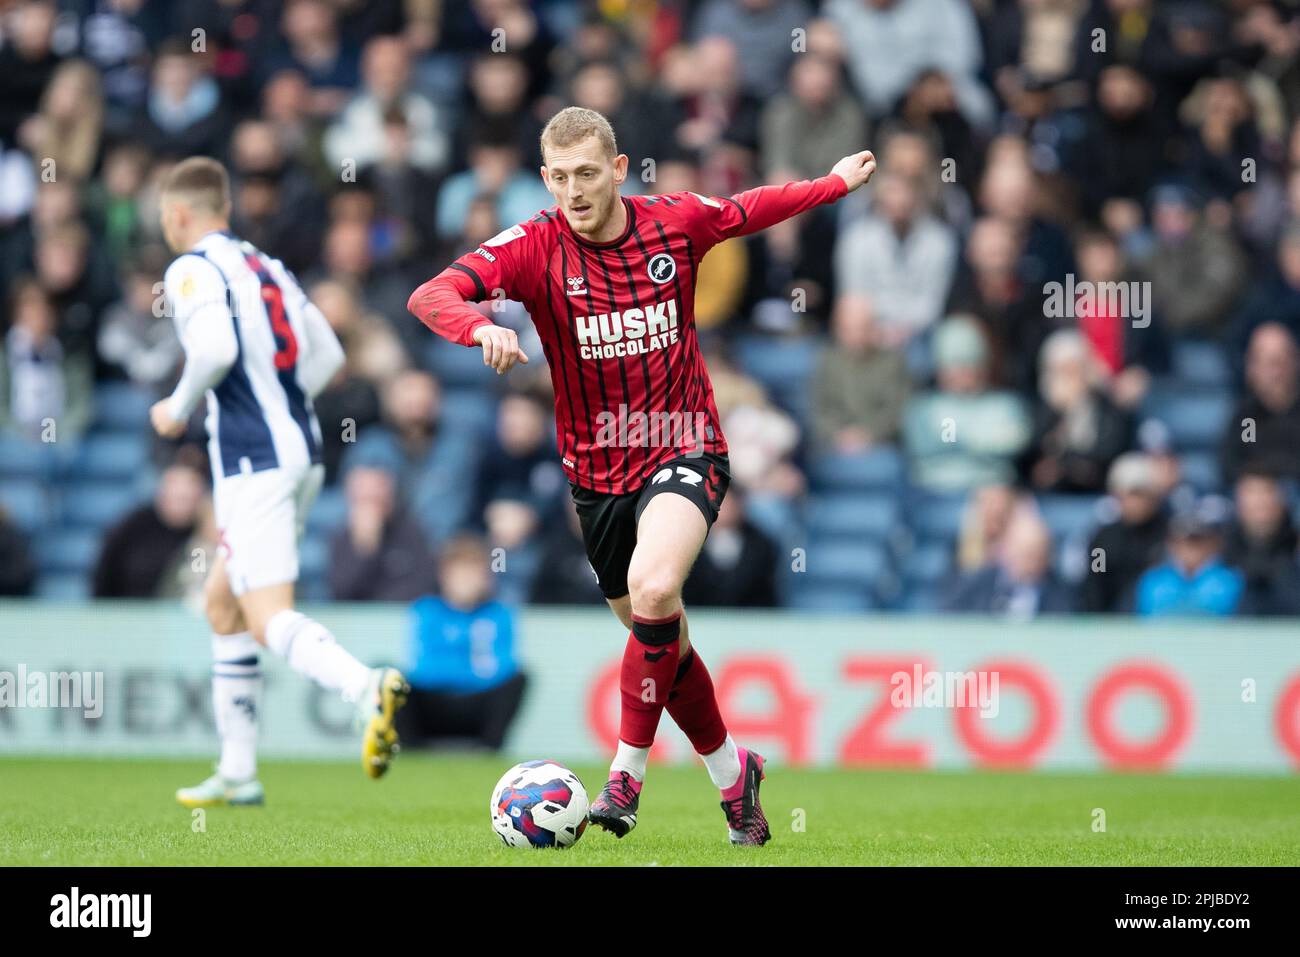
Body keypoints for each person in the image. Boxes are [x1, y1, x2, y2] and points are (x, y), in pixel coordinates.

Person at [407, 106, 878, 846]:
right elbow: (431, 294)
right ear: (544, 179)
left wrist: (830, 185)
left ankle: (625, 773)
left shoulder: (674, 223)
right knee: (665, 639)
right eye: (559, 177)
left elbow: (751, 208)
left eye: (587, 173)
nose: (574, 190)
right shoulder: (532, 246)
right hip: (596, 476)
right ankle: (733, 776)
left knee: (657, 591)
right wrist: (482, 325)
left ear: (619, 170)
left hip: (683, 442)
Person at [147, 157, 409, 808]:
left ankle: (364, 685)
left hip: (251, 461)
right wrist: (280, 400)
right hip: (301, 451)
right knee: (223, 600)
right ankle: (238, 769)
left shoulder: (190, 268)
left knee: (266, 614)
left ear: (178, 214)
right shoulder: (268, 266)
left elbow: (212, 351)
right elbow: (328, 356)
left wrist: (176, 409)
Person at [397, 535, 528, 751]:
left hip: (479, 702)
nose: (466, 581)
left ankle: (489, 748)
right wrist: (469, 664)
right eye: (460, 573)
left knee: (519, 678)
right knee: (391, 681)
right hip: (434, 702)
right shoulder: (426, 610)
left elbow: (505, 667)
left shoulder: (499, 614)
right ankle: (412, 750)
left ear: (486, 578)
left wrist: (460, 661)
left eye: (473, 573)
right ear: (444, 576)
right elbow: (424, 668)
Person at [1133, 499, 1245, 617]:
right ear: (1171, 543)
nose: (1190, 547)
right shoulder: (1152, 580)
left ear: (1213, 543)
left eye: (1198, 540)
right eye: (1184, 540)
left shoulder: (1231, 580)